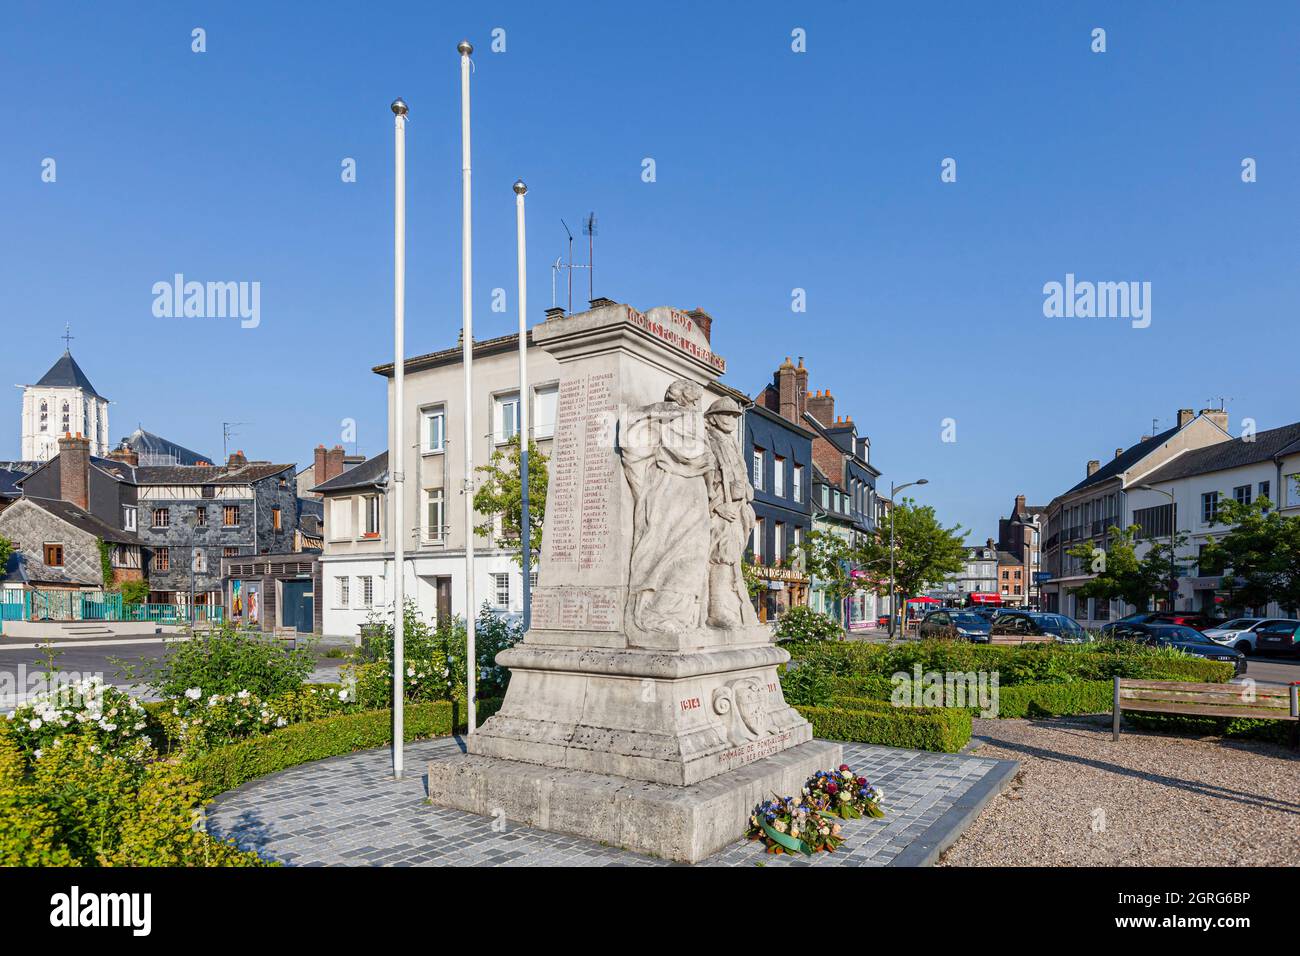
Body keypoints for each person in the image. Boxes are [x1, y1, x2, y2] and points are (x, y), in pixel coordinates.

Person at [621, 379, 713, 636]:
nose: (696, 406)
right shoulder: (663, 419)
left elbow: (706, 464)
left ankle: (682, 614)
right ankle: (659, 613)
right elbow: (631, 443)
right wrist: (654, 412)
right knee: (668, 552)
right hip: (668, 494)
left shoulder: (696, 428)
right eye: (694, 401)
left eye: (697, 402)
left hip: (694, 496)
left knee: (694, 554)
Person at [703, 397, 759, 628]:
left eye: (735, 416)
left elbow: (741, 474)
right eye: (726, 414)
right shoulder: (707, 440)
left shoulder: (732, 443)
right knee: (721, 554)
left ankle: (727, 605)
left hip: (738, 508)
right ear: (713, 417)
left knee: (731, 555)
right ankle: (716, 608)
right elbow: (701, 479)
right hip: (721, 508)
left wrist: (746, 491)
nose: (732, 419)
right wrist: (717, 505)